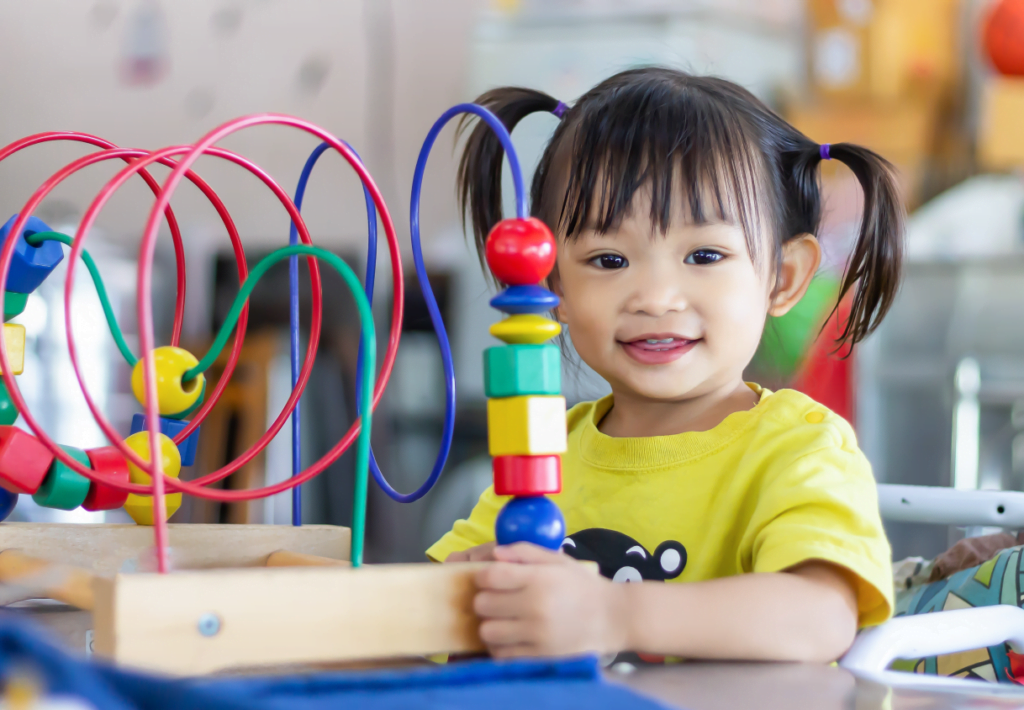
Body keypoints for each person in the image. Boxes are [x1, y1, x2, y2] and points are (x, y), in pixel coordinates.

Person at [427, 68, 903, 664]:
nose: (655, 298)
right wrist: (469, 595)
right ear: (553, 287)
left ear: (782, 278)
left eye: (704, 255)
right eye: (608, 259)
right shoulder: (547, 450)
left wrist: (614, 615)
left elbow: (819, 618)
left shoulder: (799, 450)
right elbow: (432, 608)